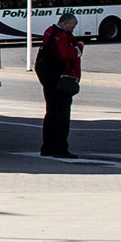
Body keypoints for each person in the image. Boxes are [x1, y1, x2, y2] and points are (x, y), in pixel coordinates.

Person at [34, 9, 82, 156]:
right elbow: (66, 53)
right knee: (61, 115)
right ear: (65, 23)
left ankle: (47, 147)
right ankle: (60, 148)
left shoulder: (49, 32)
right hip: (60, 79)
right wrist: (79, 47)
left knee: (51, 113)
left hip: (48, 77)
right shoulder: (60, 35)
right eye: (72, 27)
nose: (73, 30)